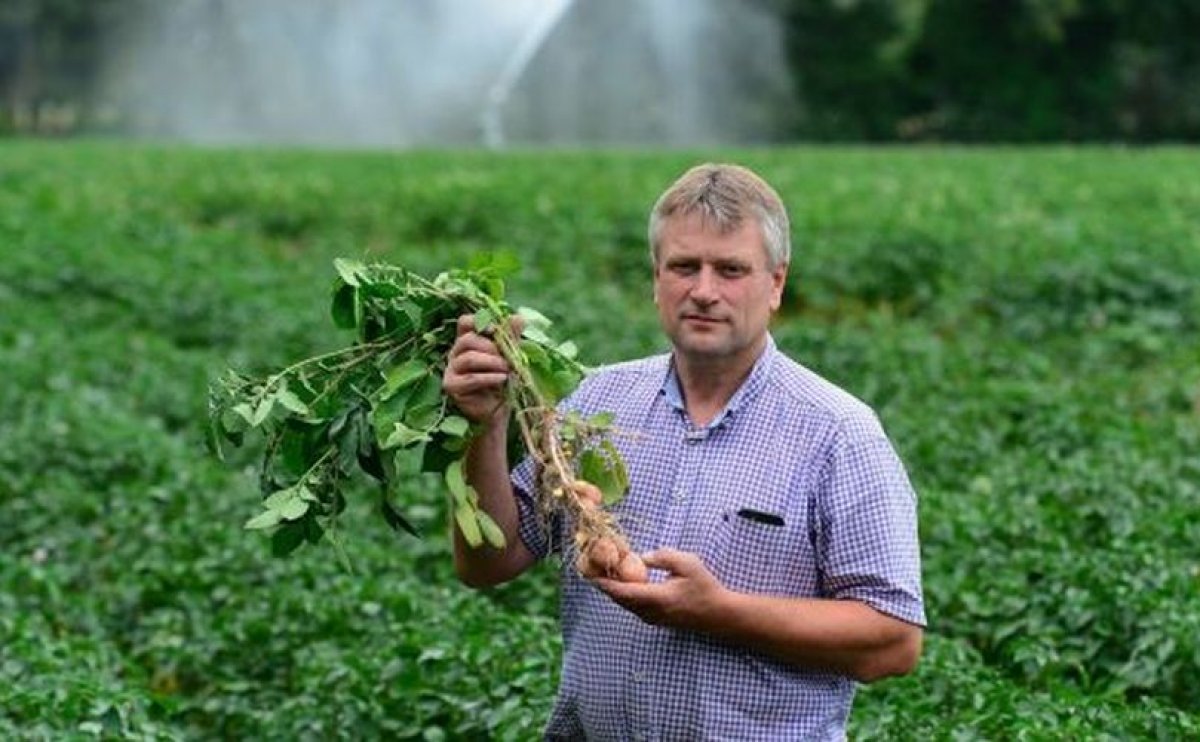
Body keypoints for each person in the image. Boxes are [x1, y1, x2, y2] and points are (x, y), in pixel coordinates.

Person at [443, 163, 925, 740]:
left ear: (776, 283)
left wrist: (718, 611)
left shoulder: (838, 434)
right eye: (683, 266)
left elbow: (893, 642)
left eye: (731, 270)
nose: (704, 291)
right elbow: (487, 563)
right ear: (656, 278)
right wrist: (484, 425)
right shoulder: (595, 402)